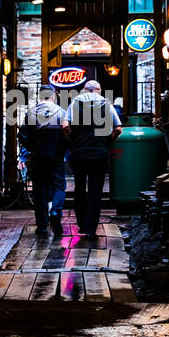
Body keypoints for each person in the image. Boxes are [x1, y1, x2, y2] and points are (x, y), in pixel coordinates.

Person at [62, 80, 122, 241]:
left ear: (84, 90)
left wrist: (73, 141)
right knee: (95, 192)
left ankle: (82, 223)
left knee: (80, 189)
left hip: (79, 153)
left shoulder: (75, 104)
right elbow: (118, 128)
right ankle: (91, 229)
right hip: (99, 154)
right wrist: (107, 142)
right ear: (97, 90)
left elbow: (65, 126)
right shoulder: (106, 104)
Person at [20, 86, 68, 237]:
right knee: (59, 186)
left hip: (38, 156)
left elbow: (23, 136)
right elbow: (67, 135)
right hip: (56, 156)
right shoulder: (61, 112)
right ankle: (55, 210)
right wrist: (62, 149)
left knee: (39, 190)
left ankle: (42, 226)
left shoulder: (32, 112)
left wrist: (32, 147)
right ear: (53, 96)